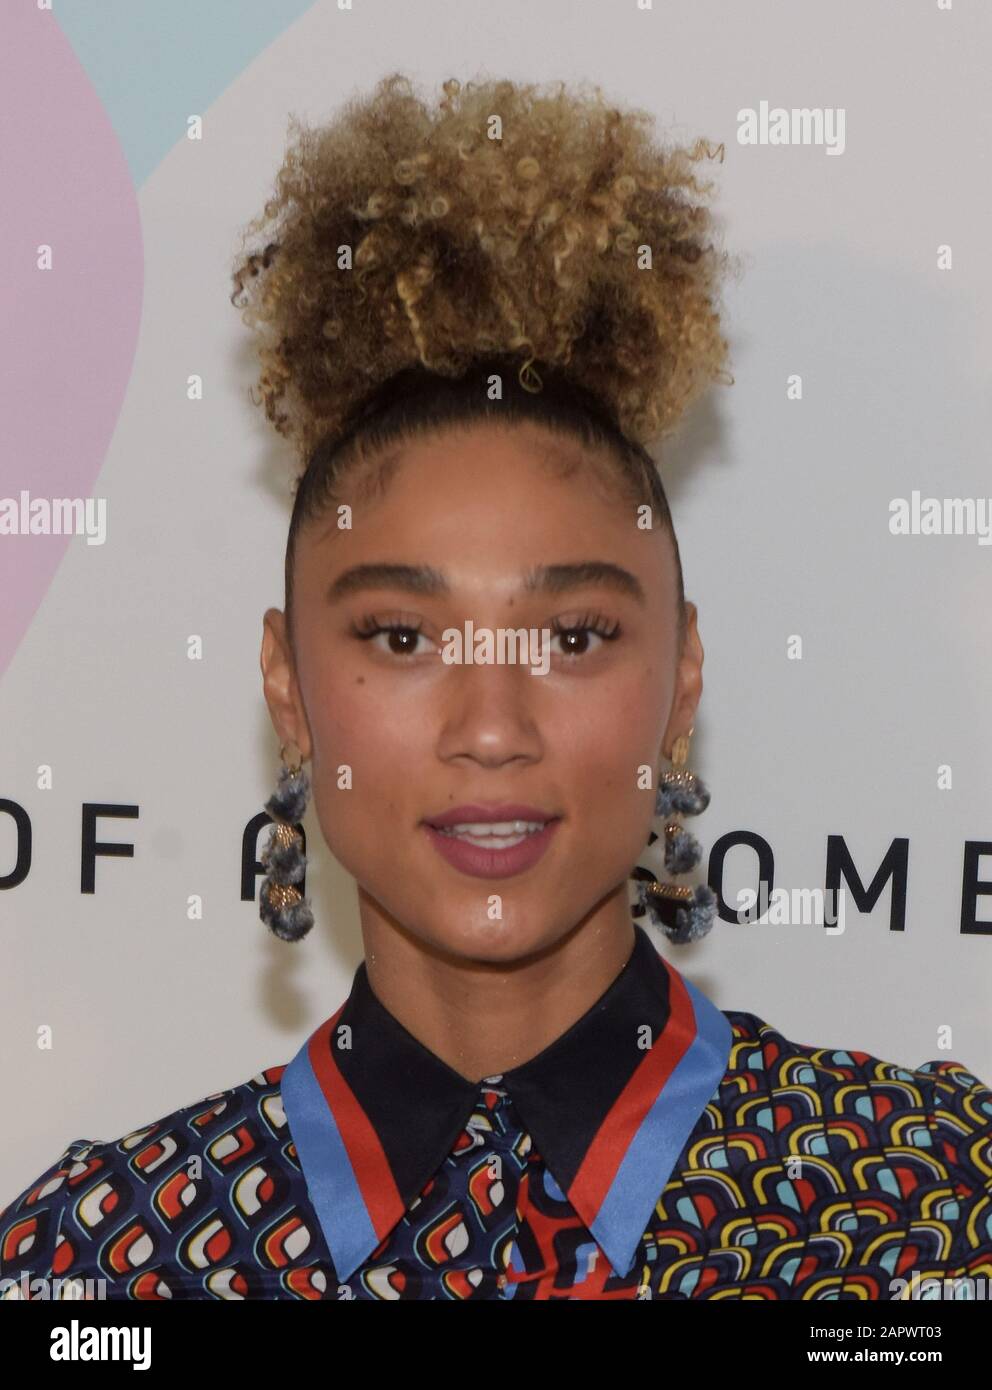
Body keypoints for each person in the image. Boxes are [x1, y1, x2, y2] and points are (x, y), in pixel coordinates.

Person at [2, 72, 990, 1303]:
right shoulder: (94, 1267)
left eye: (572, 634)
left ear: (679, 680)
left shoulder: (932, 1218)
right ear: (289, 690)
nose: (489, 729)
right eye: (404, 638)